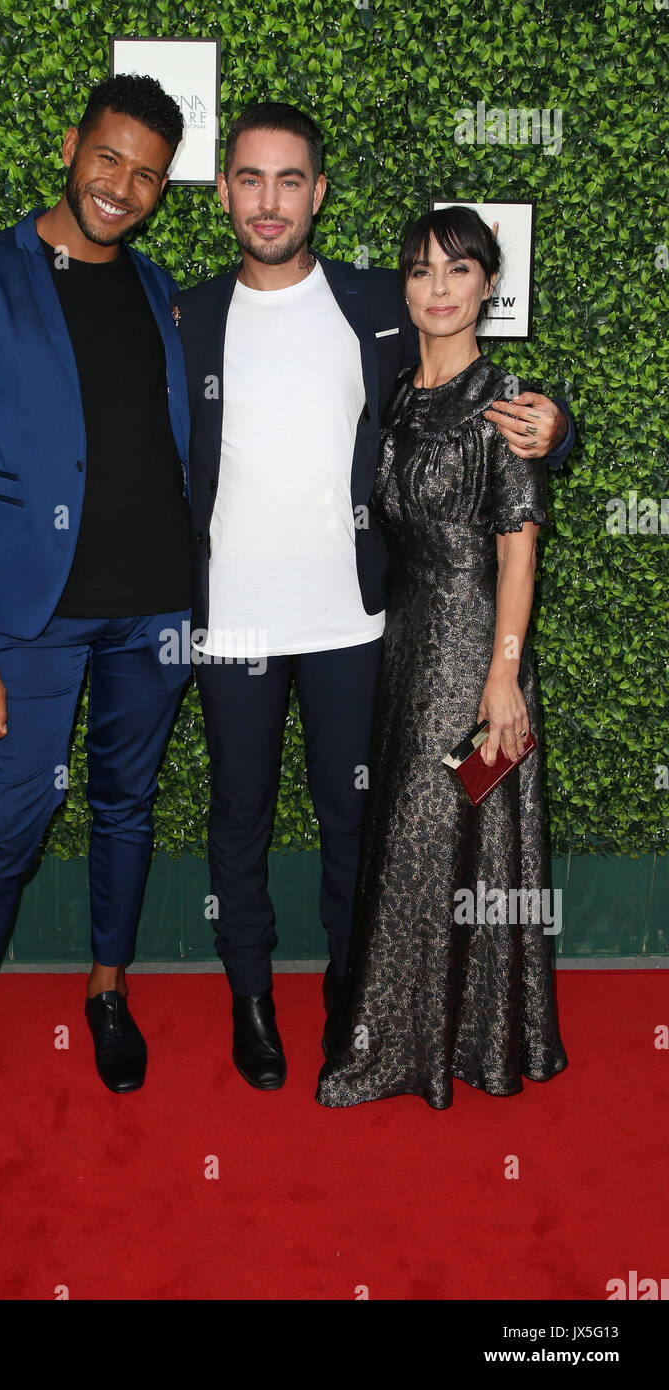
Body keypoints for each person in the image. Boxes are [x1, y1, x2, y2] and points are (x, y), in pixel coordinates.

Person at [172, 103, 574, 1090]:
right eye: (251, 179)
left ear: (319, 191)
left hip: (360, 625)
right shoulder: (183, 314)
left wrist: (558, 432)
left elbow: (485, 409)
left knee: (362, 820)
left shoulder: (375, 308)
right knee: (240, 818)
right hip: (231, 626)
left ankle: (355, 995)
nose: (271, 200)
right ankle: (252, 1000)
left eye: (292, 179)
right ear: (225, 189)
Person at [0, 75, 194, 1177]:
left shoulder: (163, 289)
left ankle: (107, 989)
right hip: (27, 621)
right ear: (72, 144)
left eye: (147, 173)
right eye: (109, 158)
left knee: (127, 808)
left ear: (166, 186)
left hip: (155, 609)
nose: (121, 186)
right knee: (9, 825)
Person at [316, 206, 569, 1111]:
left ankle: (434, 1041)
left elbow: (519, 548)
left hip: (474, 649)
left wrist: (503, 675)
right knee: (417, 837)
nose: (436, 289)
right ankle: (433, 1030)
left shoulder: (508, 405)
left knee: (454, 834)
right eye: (420, 271)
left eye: (457, 272)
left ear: (488, 285)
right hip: (404, 643)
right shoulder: (394, 393)